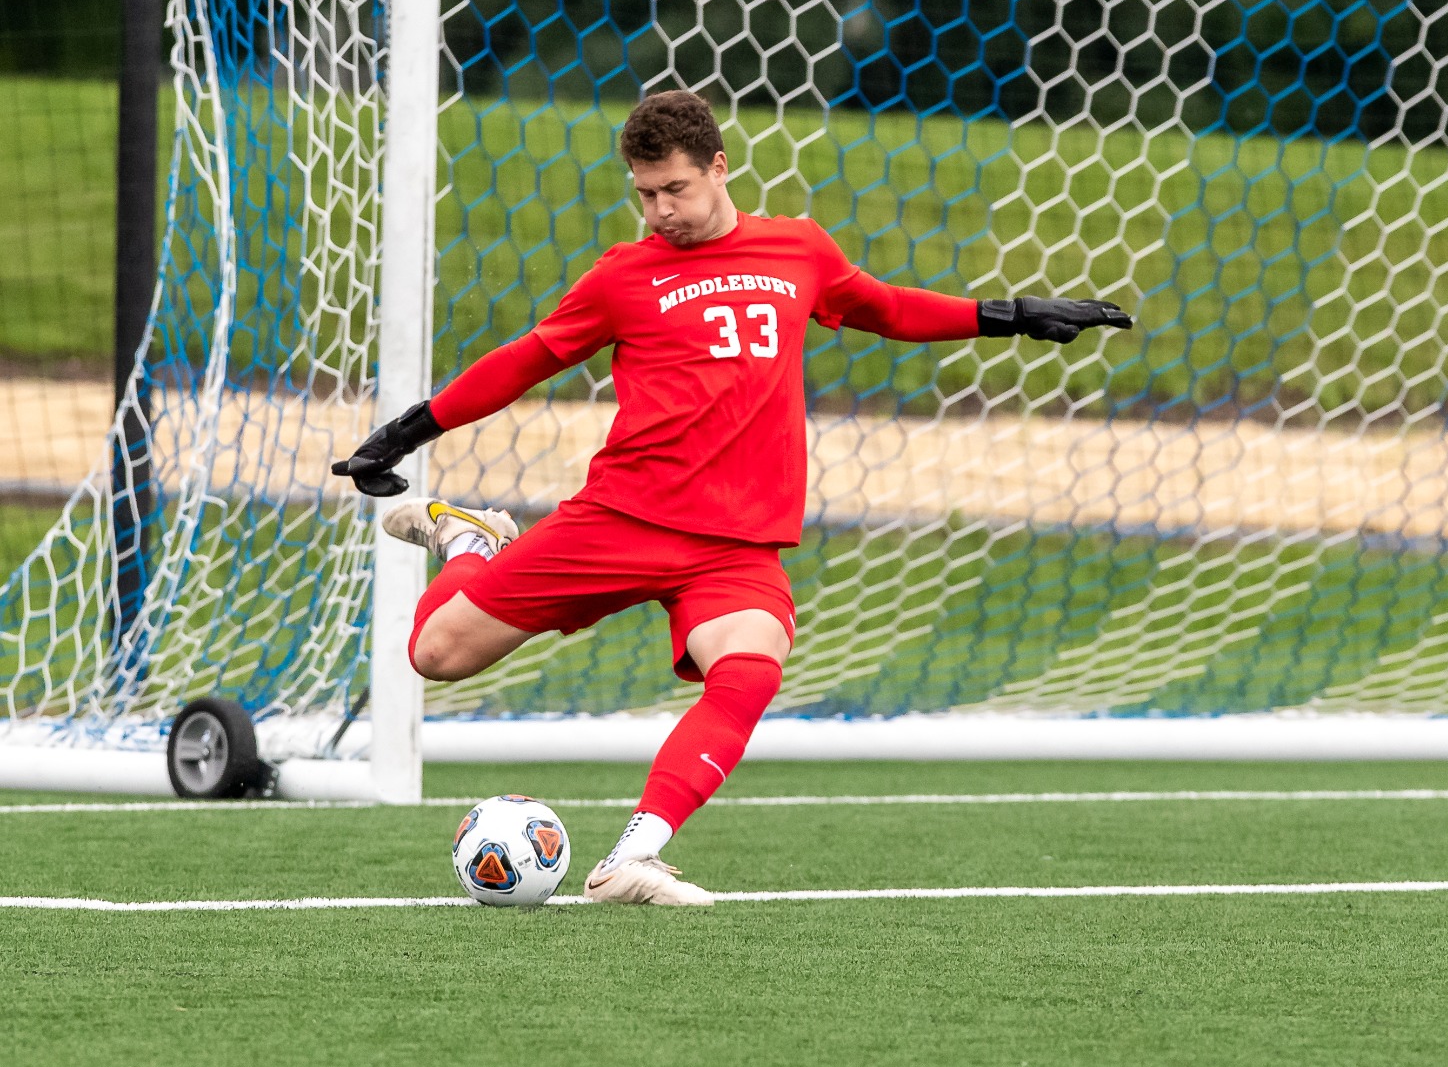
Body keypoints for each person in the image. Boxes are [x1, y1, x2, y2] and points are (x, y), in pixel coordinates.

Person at [332, 89, 1130, 906]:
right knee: (437, 655)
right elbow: (524, 360)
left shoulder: (799, 250)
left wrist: (1013, 315)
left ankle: (630, 857)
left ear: (719, 167)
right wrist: (403, 433)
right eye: (643, 193)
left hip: (735, 546)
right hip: (621, 519)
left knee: (749, 671)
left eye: (674, 189)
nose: (658, 211)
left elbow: (887, 309)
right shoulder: (623, 274)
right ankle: (468, 542)